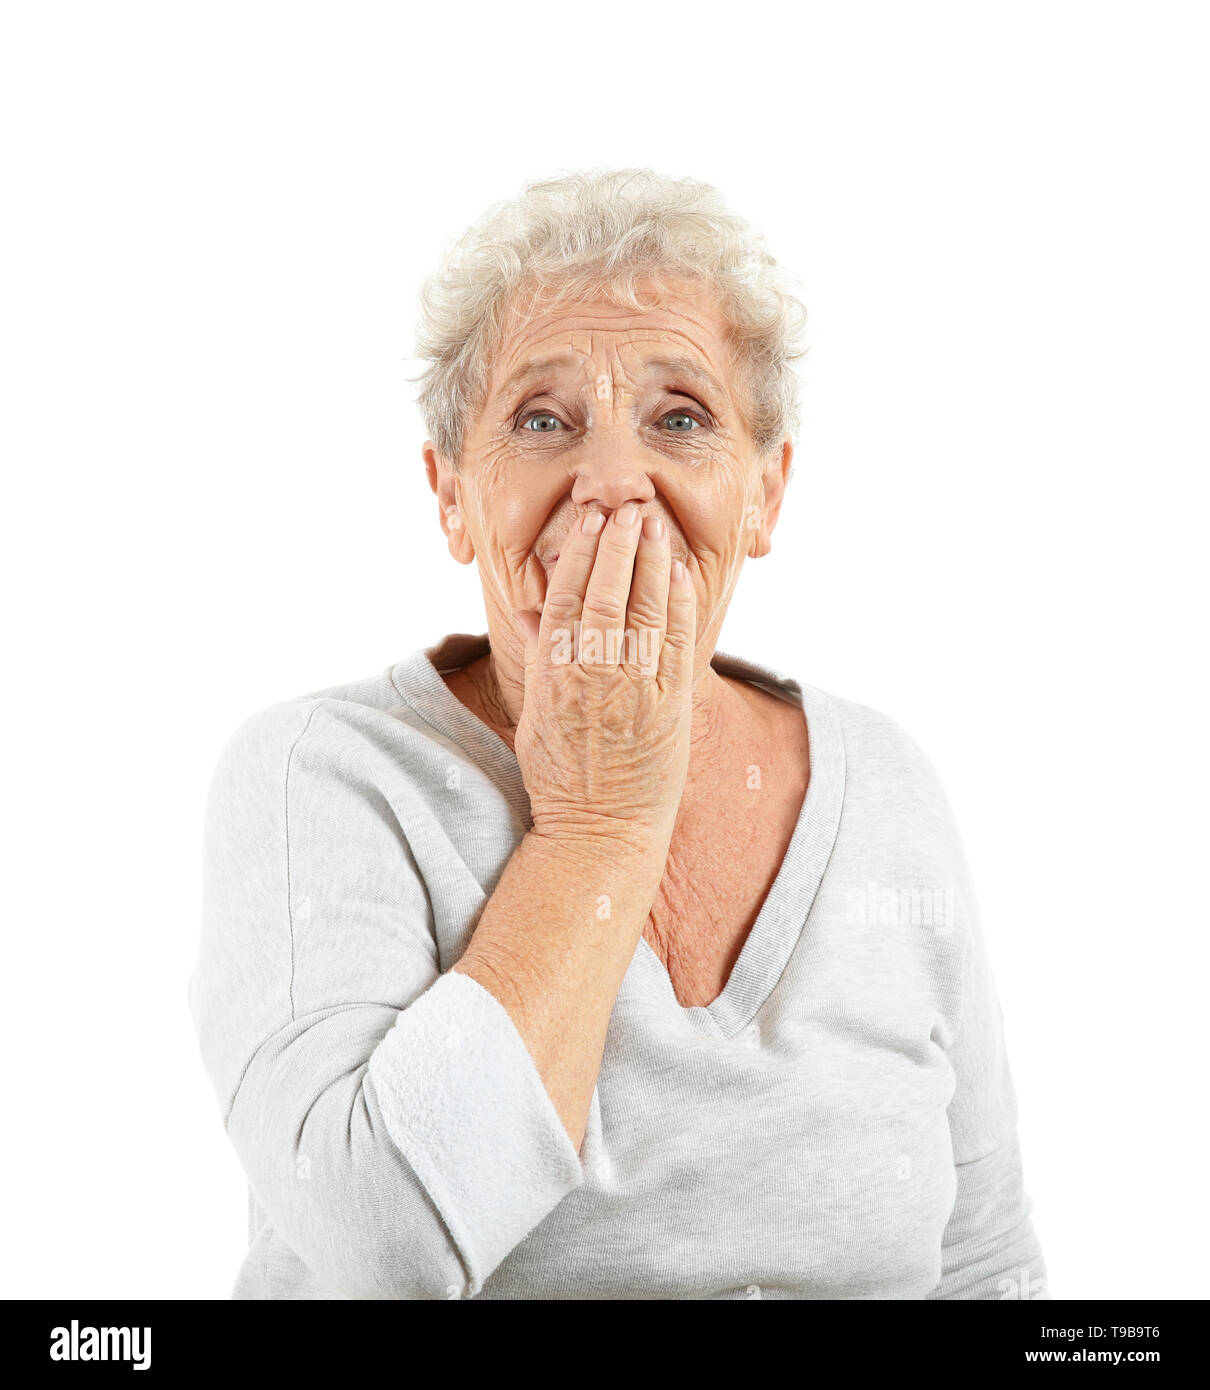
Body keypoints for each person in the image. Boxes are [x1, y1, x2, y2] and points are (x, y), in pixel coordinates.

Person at [190, 166, 1048, 1299]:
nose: (610, 484)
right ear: (451, 494)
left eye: (679, 419)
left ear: (763, 498)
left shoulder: (884, 779)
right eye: (541, 419)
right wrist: (600, 823)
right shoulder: (318, 775)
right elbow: (385, 1246)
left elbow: (984, 1262)